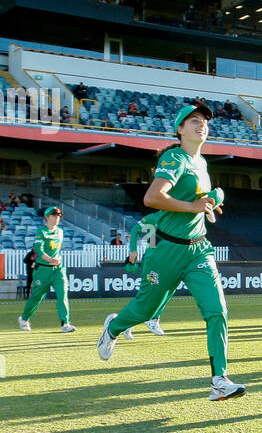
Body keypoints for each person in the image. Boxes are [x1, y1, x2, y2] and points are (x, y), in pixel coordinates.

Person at [96, 103, 245, 401]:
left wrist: (209, 205)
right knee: (146, 311)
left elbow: (199, 202)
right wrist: (193, 206)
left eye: (204, 121)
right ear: (180, 130)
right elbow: (152, 197)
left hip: (199, 250)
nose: (201, 124)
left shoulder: (201, 163)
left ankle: (219, 380)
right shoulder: (174, 157)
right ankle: (113, 327)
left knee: (217, 312)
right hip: (166, 250)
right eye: (193, 121)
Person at [18, 207, 75, 333]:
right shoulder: (41, 231)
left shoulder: (60, 231)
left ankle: (65, 323)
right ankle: (24, 318)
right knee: (37, 297)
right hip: (43, 270)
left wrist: (55, 260)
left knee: (62, 294)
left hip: (58, 269)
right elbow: (38, 250)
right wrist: (50, 259)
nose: (57, 218)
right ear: (47, 217)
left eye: (59, 216)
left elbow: (57, 250)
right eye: (54, 215)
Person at [118, 210, 170, 339]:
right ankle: (125, 322)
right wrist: (133, 250)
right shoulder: (153, 217)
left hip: (169, 261)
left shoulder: (178, 216)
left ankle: (150, 319)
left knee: (167, 290)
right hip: (152, 260)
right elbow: (135, 230)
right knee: (147, 292)